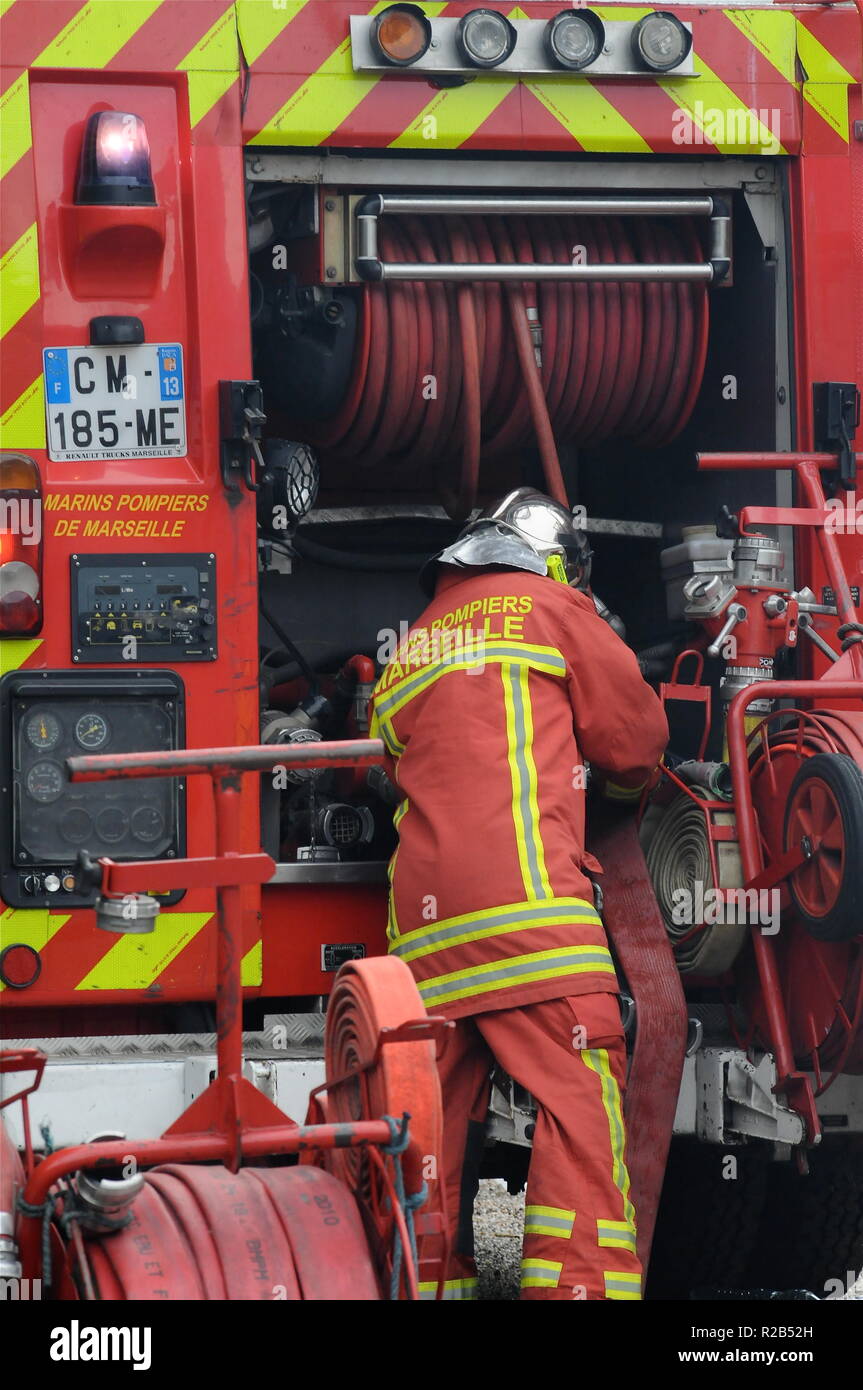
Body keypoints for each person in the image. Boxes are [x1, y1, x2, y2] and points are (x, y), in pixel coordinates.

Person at [369, 488, 669, 1300]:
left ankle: (421, 1283)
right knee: (577, 1103)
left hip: (422, 944)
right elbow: (635, 745)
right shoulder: (553, 607)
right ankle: (580, 1288)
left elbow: (394, 761)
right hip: (532, 920)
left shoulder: (418, 640)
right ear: (549, 562)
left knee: (422, 1125)